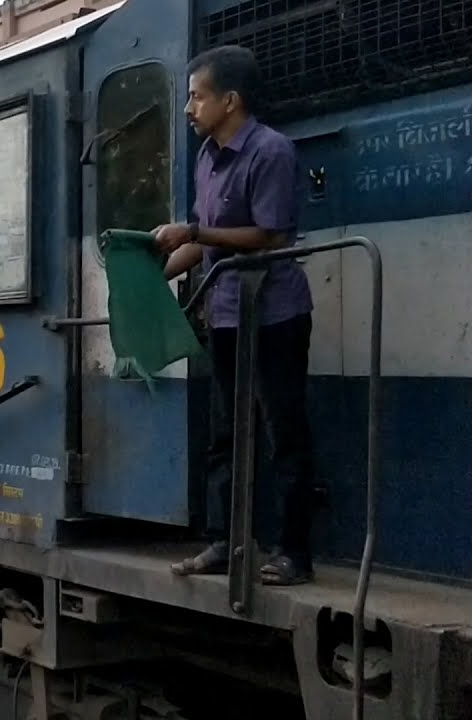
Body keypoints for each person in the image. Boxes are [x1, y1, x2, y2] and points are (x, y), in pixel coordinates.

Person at [152, 45, 317, 586]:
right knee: (225, 433)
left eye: (197, 97)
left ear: (230, 100)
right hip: (226, 314)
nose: (188, 108)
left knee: (282, 432)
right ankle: (227, 542)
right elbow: (201, 239)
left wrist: (194, 233)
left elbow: (268, 236)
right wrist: (158, 274)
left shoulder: (271, 152)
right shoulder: (206, 157)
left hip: (274, 315)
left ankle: (294, 552)